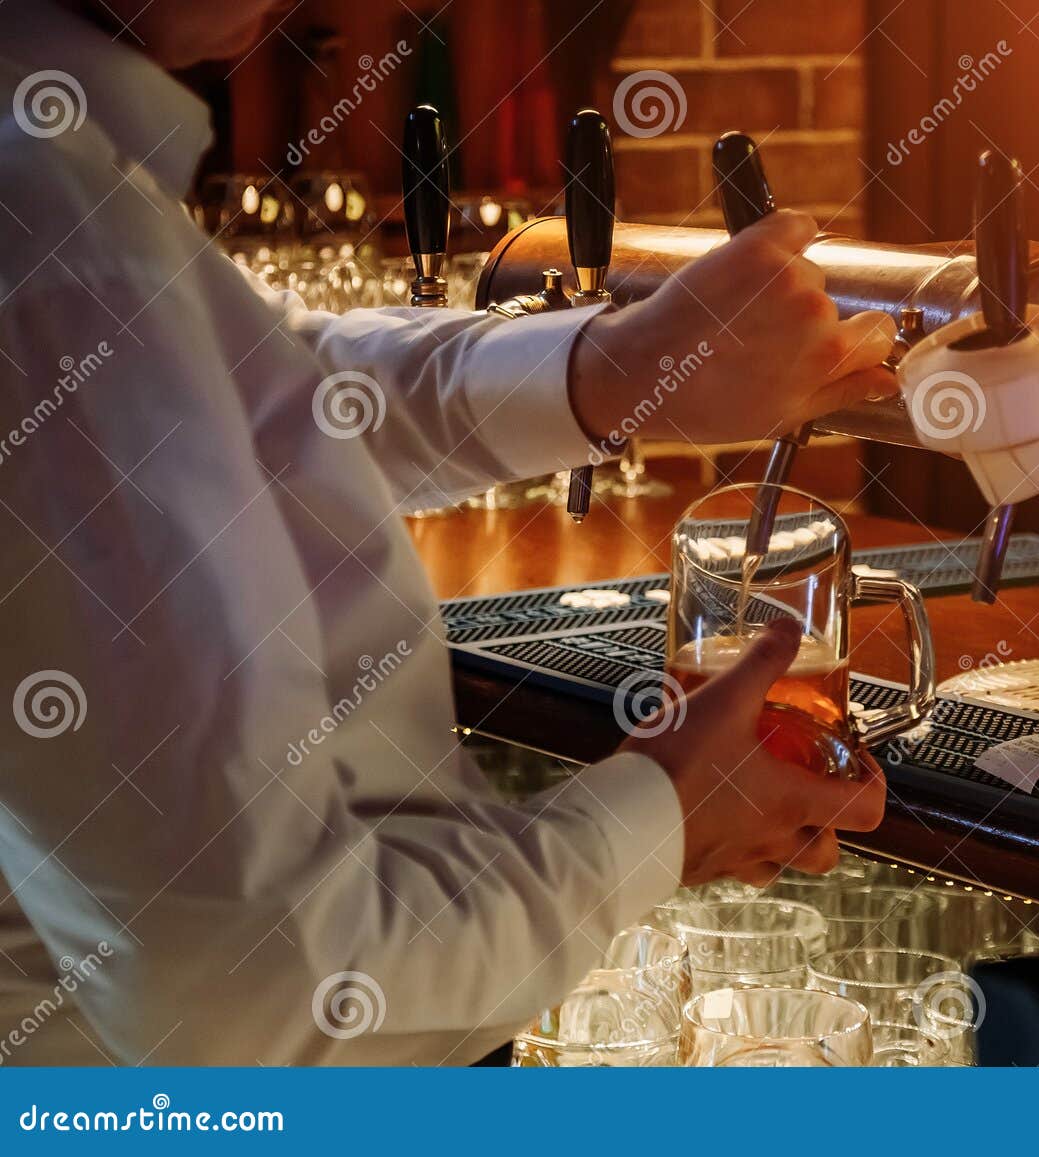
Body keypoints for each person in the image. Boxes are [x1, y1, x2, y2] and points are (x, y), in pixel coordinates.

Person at [0, 0, 893, 1064]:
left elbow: (244, 389)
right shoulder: (55, 231)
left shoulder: (61, 183)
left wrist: (610, 373)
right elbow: (253, 987)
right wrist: (660, 819)